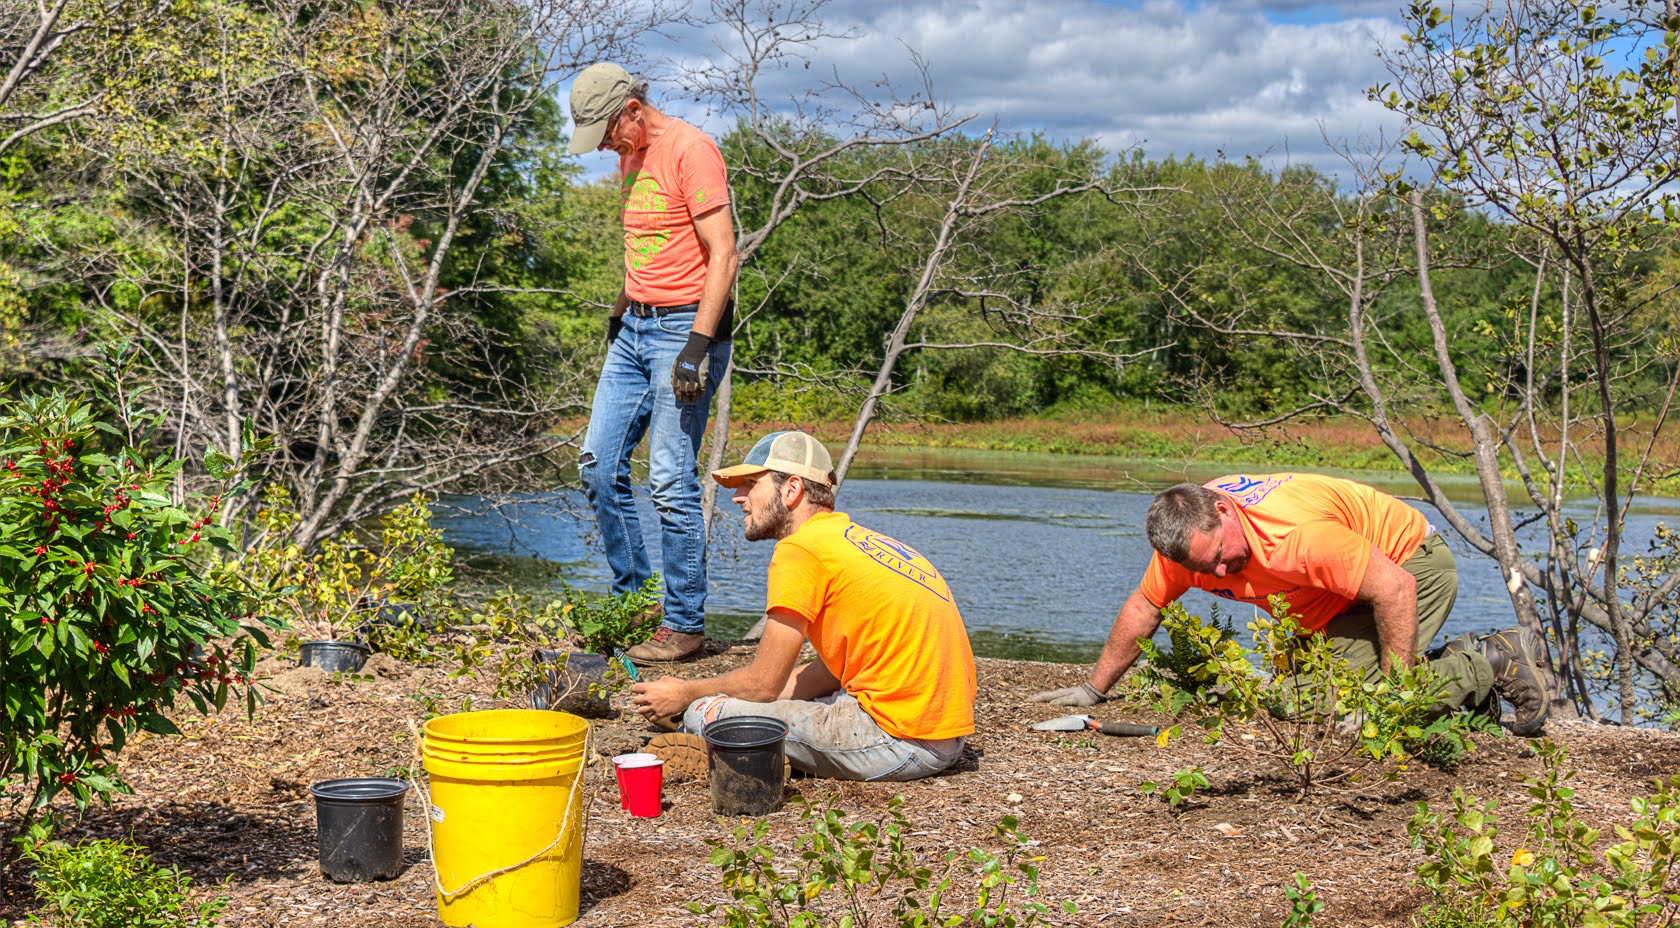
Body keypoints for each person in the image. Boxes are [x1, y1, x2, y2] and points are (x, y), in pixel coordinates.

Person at [1030, 473, 1550, 735]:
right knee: (1297, 698)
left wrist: (1391, 699)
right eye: (1200, 568)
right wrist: (1092, 689)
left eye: (1218, 557)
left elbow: (1395, 590)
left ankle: (1491, 659)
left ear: (1224, 511)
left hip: (1406, 565)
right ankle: (1457, 672)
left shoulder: (1295, 536)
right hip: (1333, 595)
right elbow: (1145, 606)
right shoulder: (1188, 543)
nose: (1214, 575)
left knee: (1349, 704)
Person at [632, 432, 977, 780]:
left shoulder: (801, 550)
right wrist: (754, 701)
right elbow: (828, 675)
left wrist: (685, 694)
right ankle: (760, 744)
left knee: (702, 712)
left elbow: (763, 683)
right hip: (944, 737)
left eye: (751, 484)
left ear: (791, 489)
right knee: (748, 706)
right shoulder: (861, 543)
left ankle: (746, 754)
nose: (737, 497)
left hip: (897, 741)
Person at [567, 63, 739, 663]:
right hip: (635, 326)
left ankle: (684, 624)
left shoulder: (692, 151)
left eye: (609, 131)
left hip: (684, 331)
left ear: (633, 110)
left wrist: (697, 344)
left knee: (669, 480)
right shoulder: (630, 157)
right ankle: (635, 605)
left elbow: (724, 253)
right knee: (596, 463)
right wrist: (619, 316)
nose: (606, 145)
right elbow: (644, 250)